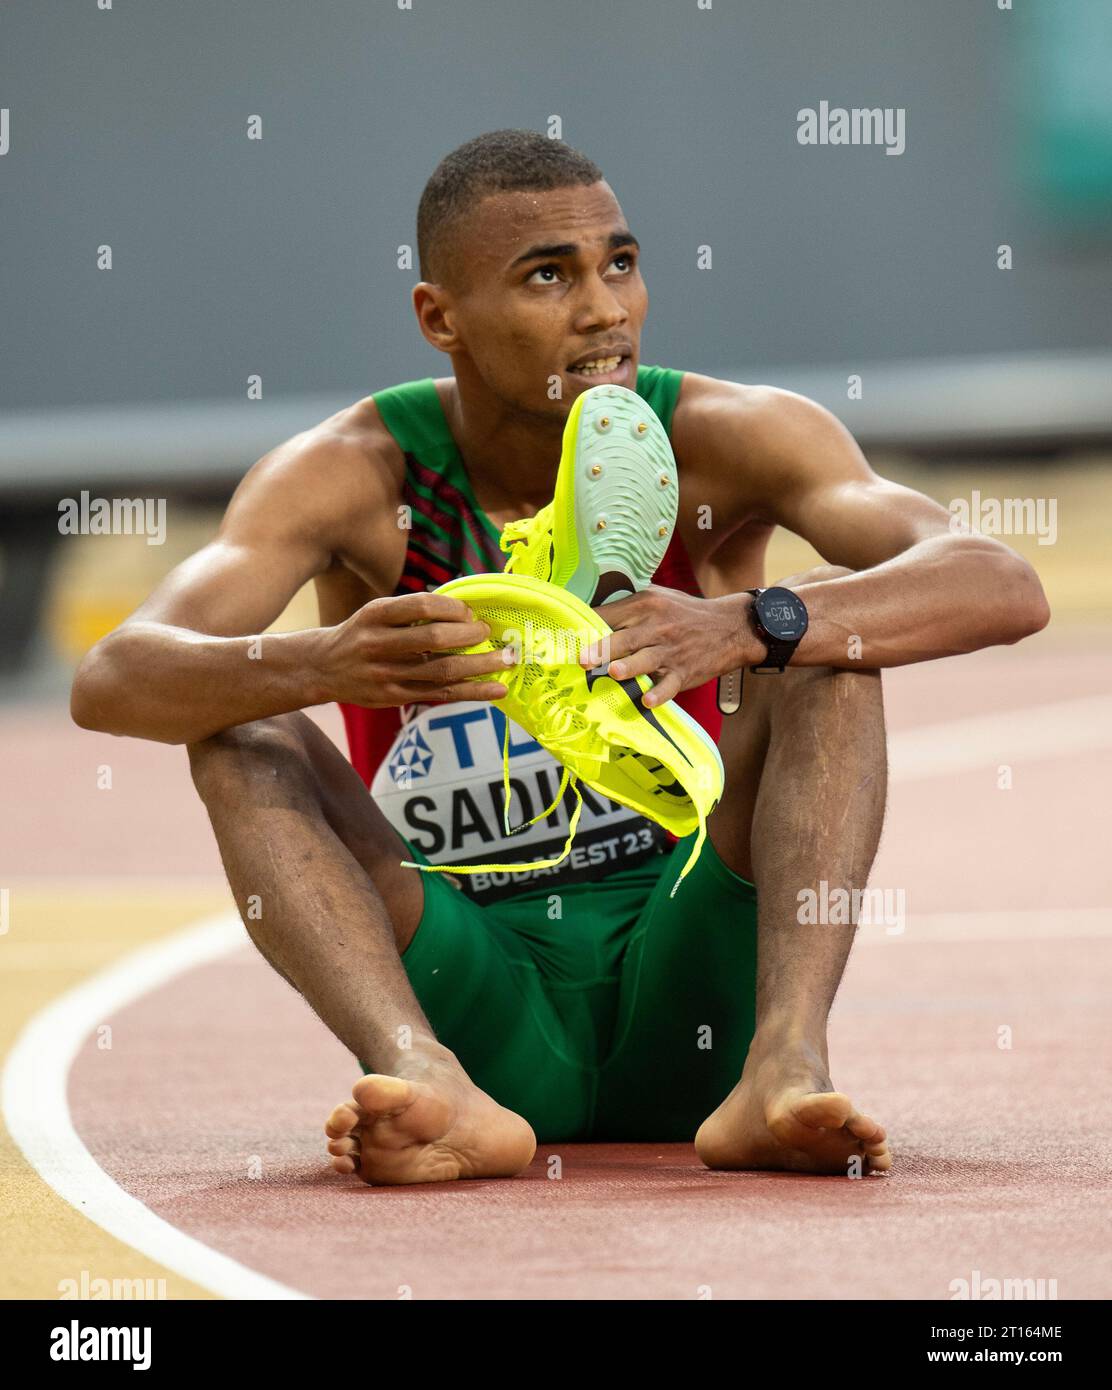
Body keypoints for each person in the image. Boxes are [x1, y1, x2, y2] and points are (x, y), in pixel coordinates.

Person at [71, 129, 1049, 1184]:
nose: (602, 310)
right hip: (474, 991)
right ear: (438, 317)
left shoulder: (727, 438)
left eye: (618, 264)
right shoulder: (355, 476)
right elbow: (115, 675)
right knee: (240, 726)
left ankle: (782, 1066)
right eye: (548, 275)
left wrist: (749, 622)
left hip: (692, 978)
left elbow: (1000, 582)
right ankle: (421, 1075)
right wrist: (321, 661)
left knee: (822, 645)